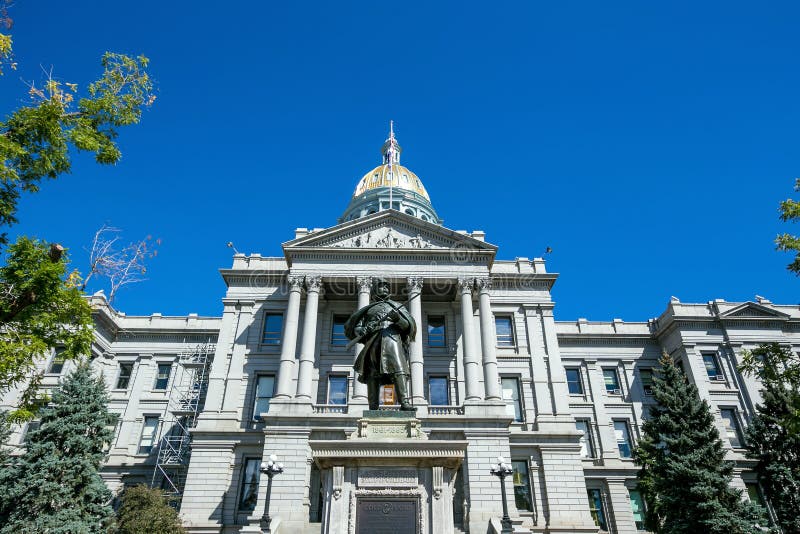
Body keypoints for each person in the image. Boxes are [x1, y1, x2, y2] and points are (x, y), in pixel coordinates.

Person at [344, 277, 416, 410]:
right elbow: (357, 329)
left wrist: (398, 319)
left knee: (399, 369)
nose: (386, 288)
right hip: (373, 342)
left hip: (392, 340)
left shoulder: (396, 306)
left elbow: (408, 326)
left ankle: (404, 402)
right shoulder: (368, 310)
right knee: (373, 373)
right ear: (375, 289)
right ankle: (373, 405)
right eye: (382, 286)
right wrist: (363, 330)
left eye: (387, 286)